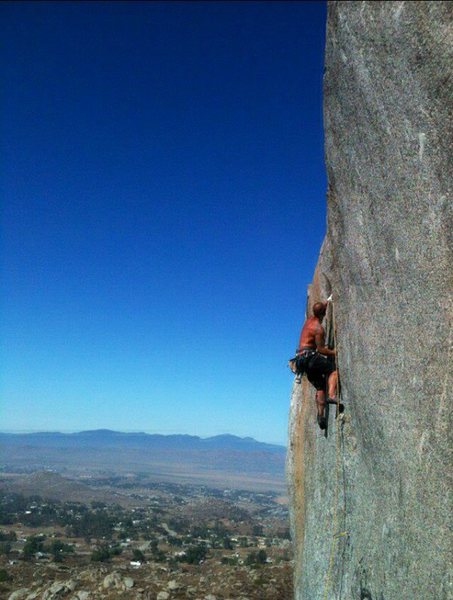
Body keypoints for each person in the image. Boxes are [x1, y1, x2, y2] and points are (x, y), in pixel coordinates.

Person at [295, 301, 338, 430]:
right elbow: (321, 350)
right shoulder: (318, 328)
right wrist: (335, 352)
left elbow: (318, 308)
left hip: (301, 360)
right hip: (311, 357)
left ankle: (320, 415)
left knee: (319, 386)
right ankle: (331, 395)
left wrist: (326, 302)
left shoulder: (308, 321)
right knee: (332, 370)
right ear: (324, 313)